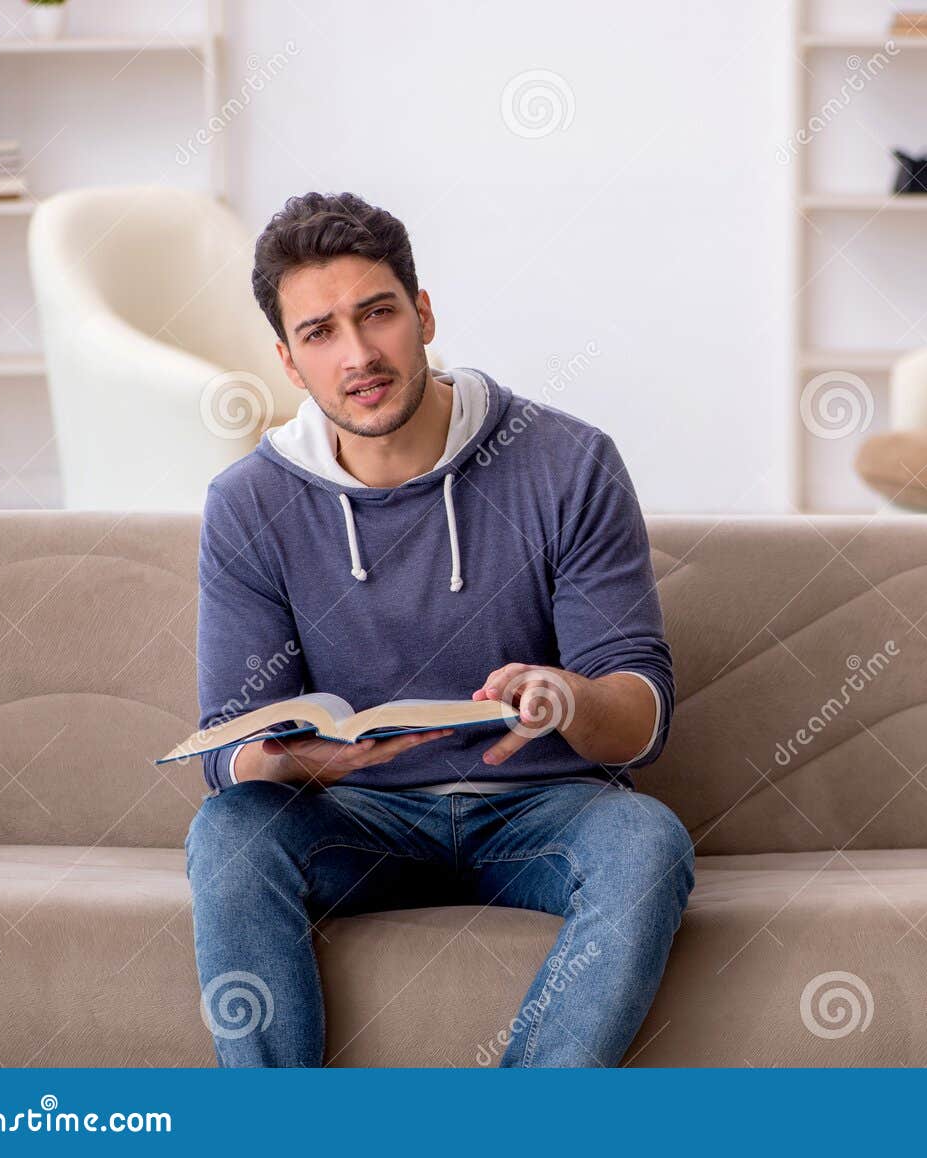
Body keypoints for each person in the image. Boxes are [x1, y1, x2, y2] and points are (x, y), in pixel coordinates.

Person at [183, 191, 692, 1068]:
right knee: (229, 834)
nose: (358, 355)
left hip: (541, 809)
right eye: (320, 333)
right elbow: (228, 749)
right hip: (352, 818)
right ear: (288, 360)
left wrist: (569, 697)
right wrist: (300, 760)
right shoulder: (249, 503)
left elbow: (640, 713)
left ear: (422, 314)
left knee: (649, 840)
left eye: (376, 314)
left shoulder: (566, 462)